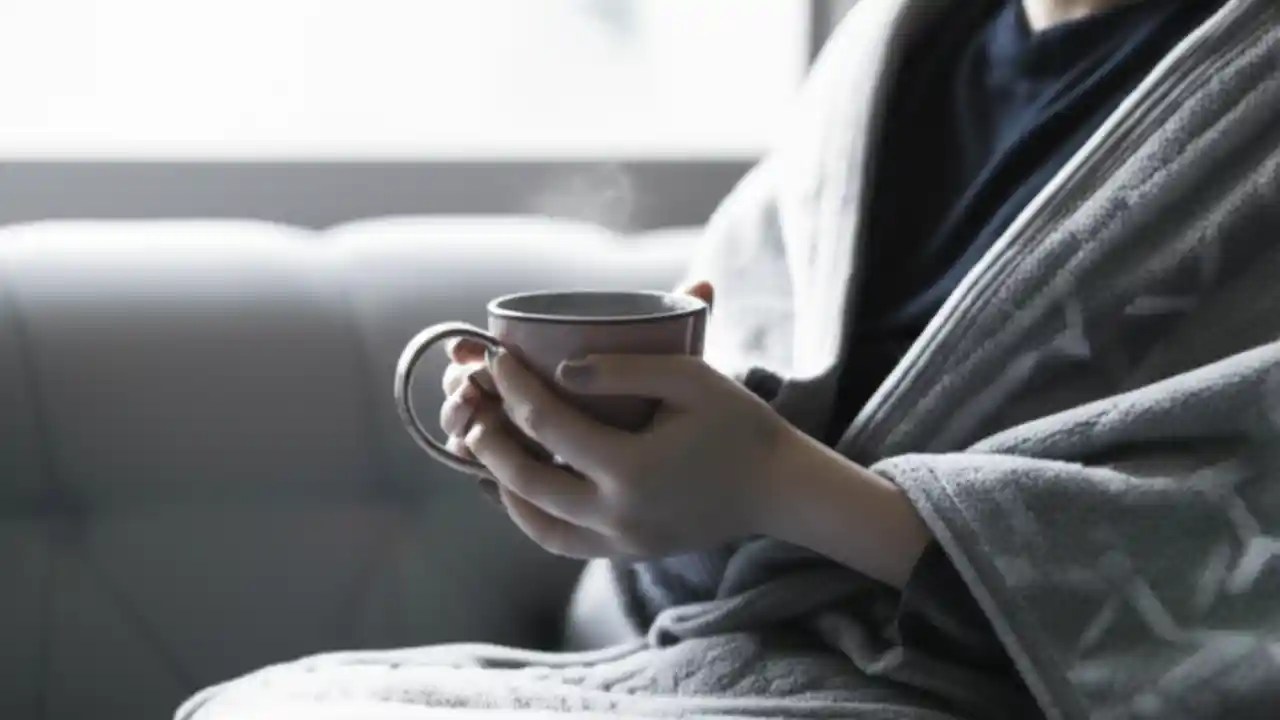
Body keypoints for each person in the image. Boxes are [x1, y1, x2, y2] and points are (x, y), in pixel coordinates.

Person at [180, 0, 1280, 717]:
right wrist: (612, 471)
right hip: (730, 663)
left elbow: (1240, 575)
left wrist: (773, 486)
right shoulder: (889, 55)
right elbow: (755, 383)